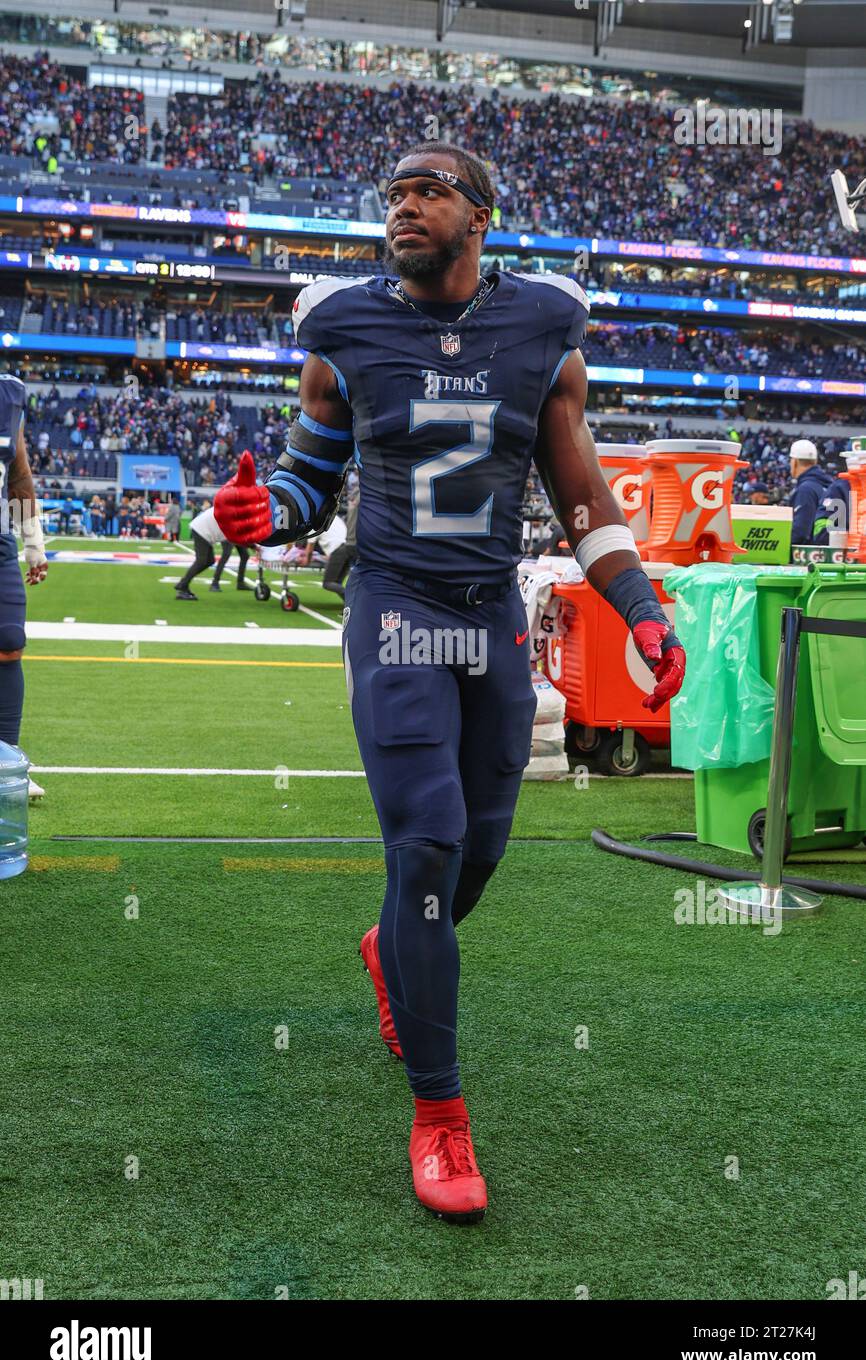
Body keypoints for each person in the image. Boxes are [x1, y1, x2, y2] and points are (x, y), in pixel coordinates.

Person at [213, 142, 685, 1224]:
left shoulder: (543, 329)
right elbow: (306, 473)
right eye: (391, 194)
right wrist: (266, 513)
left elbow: (580, 494)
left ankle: (395, 944)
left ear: (480, 215)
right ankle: (438, 1114)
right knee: (422, 839)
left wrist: (641, 607)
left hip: (489, 616)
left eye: (426, 192)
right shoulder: (341, 328)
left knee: (471, 857)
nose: (402, 208)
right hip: (393, 605)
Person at [0, 374, 48, 801]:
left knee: (9, 641)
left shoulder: (7, 394)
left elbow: (18, 474)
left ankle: (7, 763)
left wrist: (33, 543)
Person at [174, 503, 226, 600]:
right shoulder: (235, 512)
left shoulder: (233, 508)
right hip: (202, 530)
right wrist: (253, 546)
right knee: (201, 560)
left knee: (209, 560)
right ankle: (182, 585)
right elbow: (236, 536)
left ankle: (183, 584)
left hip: (204, 530)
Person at [789, 439, 833, 544]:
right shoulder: (829, 485)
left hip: (809, 555)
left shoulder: (806, 490)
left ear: (795, 461)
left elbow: (800, 531)